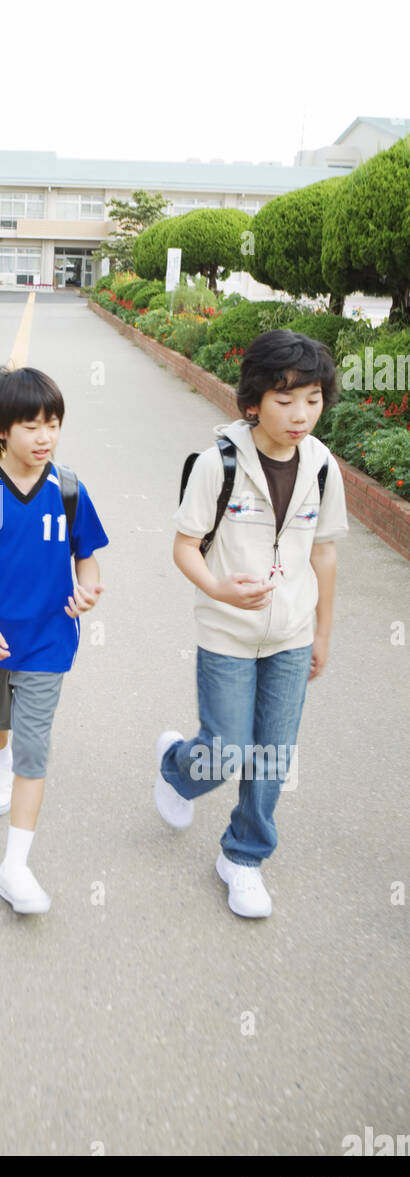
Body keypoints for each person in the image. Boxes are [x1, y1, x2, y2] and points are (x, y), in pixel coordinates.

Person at [155, 329, 349, 918]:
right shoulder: (219, 464)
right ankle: (175, 768)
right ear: (254, 401)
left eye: (312, 399)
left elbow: (325, 554)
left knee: (273, 754)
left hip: (290, 634)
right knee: (225, 748)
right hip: (226, 631)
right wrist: (218, 588)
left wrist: (322, 632)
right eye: (285, 399)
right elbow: (185, 546)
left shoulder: (321, 467)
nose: (300, 415)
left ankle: (243, 857)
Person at [0, 366, 108, 915]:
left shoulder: (69, 488)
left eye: (52, 424)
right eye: (31, 425)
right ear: (2, 429)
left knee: (35, 744)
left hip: (49, 643)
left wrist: (89, 590)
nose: (45, 437)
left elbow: (89, 559)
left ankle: (15, 866)